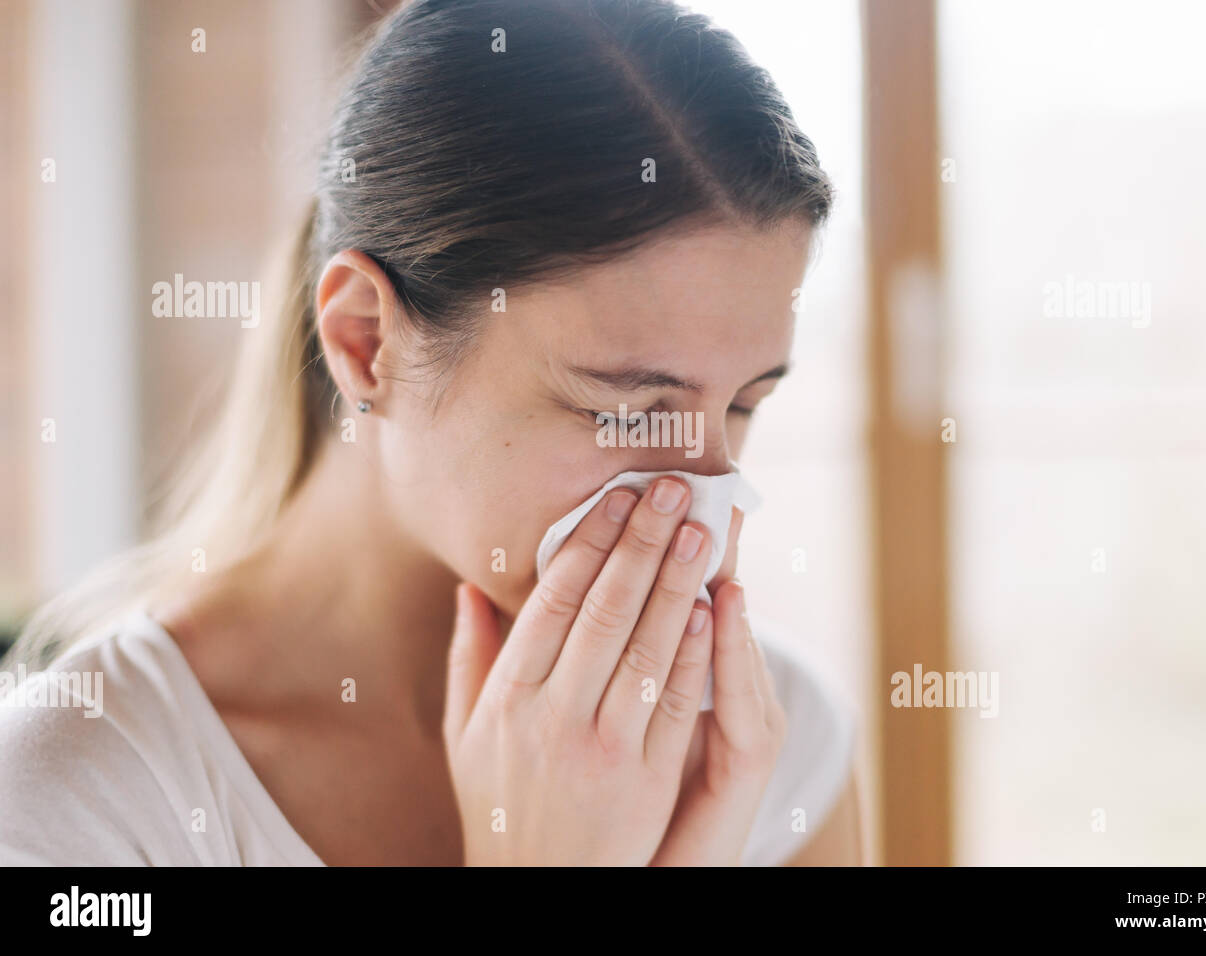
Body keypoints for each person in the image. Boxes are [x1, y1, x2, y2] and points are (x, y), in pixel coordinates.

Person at [0, 0, 860, 866]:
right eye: (628, 411)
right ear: (366, 342)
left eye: (743, 404)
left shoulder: (772, 750)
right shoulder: (76, 798)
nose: (701, 492)